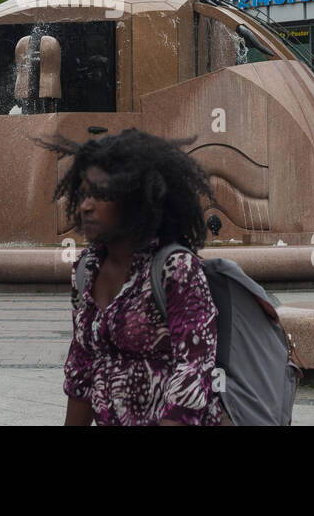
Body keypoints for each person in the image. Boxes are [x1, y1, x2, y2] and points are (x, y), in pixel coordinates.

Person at [53, 129, 225, 427]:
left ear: (135, 201)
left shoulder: (176, 268)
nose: (85, 206)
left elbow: (193, 372)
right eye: (83, 195)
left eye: (101, 195)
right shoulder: (85, 268)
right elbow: (81, 368)